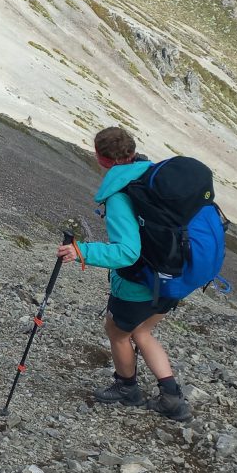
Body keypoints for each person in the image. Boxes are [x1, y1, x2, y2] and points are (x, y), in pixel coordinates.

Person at [56, 126, 191, 422]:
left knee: (117, 332)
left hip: (140, 281)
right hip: (176, 277)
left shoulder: (120, 195)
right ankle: (172, 398)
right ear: (133, 150)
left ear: (101, 158)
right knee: (142, 331)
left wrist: (82, 252)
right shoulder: (155, 178)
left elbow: (127, 252)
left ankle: (127, 388)